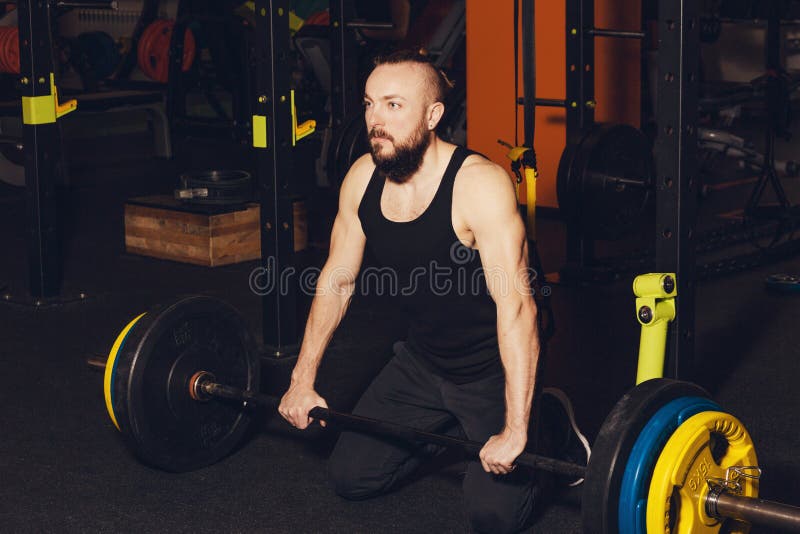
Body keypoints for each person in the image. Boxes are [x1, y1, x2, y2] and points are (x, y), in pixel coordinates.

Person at [278, 49, 540, 533]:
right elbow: (337, 279)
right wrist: (302, 378)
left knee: (492, 517)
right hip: (421, 363)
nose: (376, 120)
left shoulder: (479, 186)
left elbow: (517, 306)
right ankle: (443, 428)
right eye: (370, 103)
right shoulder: (361, 179)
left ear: (433, 115)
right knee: (349, 477)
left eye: (394, 105)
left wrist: (516, 428)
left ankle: (551, 426)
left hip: (488, 370)